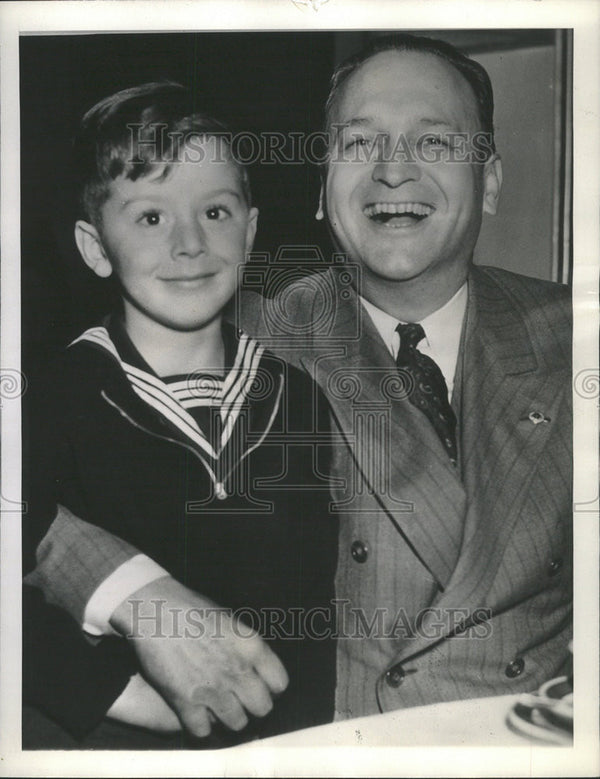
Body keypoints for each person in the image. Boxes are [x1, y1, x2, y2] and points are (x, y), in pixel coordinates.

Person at [26, 34, 572, 734]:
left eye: (433, 143)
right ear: (320, 185)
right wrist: (141, 596)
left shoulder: (576, 339)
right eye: (358, 143)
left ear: (491, 181)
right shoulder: (236, 335)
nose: (392, 172)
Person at [23, 82, 338, 747]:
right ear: (94, 245)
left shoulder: (297, 395)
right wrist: (106, 691)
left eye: (216, 211)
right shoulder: (51, 397)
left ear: (251, 231)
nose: (191, 242)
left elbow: (314, 609)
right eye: (150, 217)